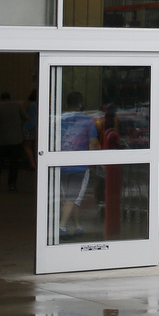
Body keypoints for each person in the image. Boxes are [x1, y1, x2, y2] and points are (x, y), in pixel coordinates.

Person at [57, 90, 100, 239]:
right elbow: (93, 143)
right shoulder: (88, 121)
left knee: (72, 197)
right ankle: (61, 226)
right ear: (80, 104)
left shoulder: (60, 119)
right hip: (79, 166)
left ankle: (76, 226)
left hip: (61, 164)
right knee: (72, 197)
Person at [0, 92, 26, 191]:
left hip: (2, 140)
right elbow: (26, 117)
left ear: (1, 99)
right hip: (17, 139)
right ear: (10, 98)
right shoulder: (17, 105)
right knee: (14, 163)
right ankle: (12, 184)